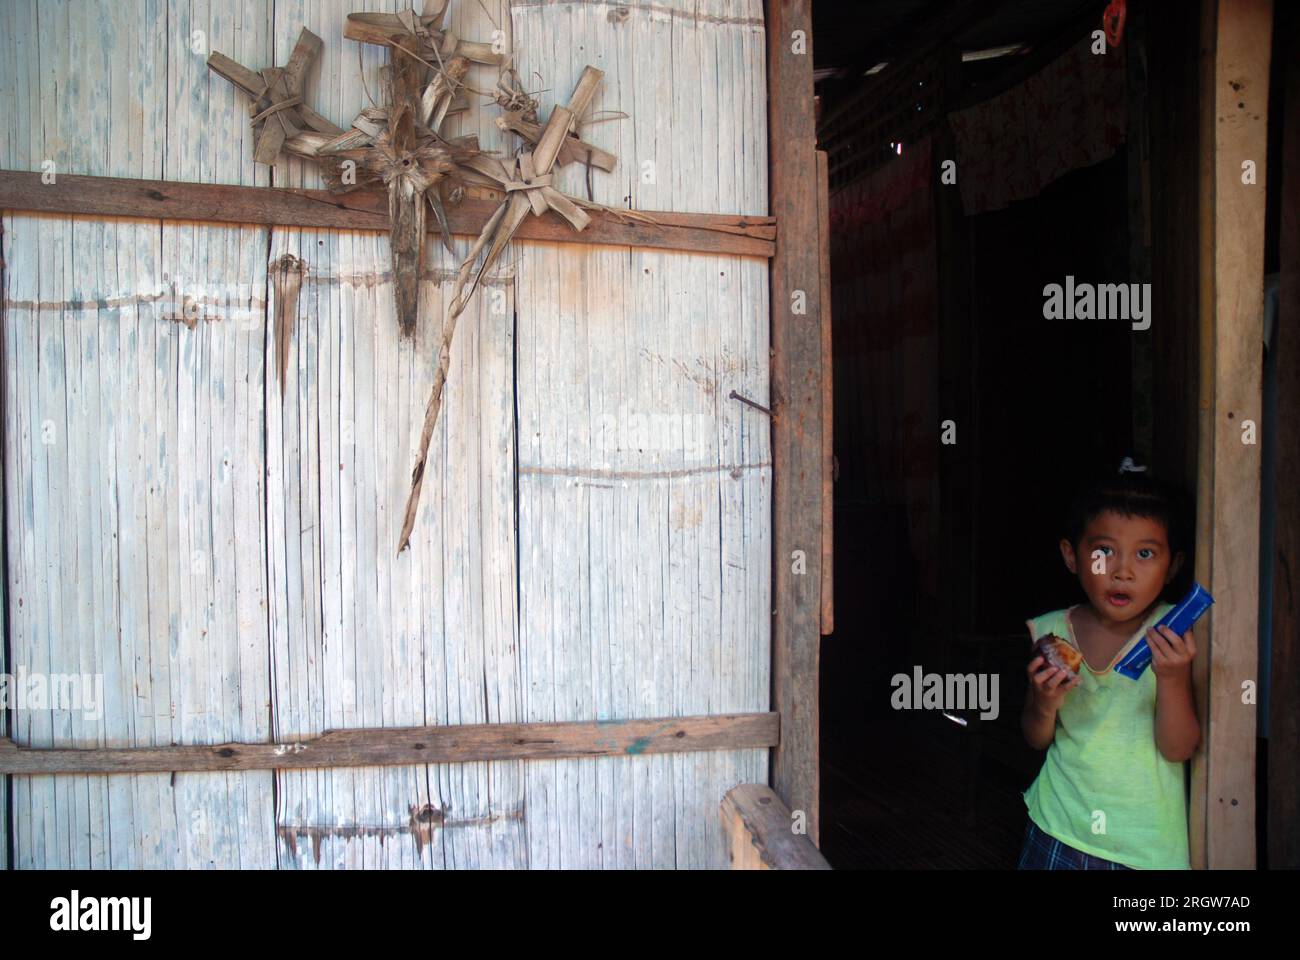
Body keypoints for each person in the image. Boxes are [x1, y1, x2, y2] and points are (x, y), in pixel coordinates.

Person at [1017, 459, 1199, 869]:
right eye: (1103, 552)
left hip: (1142, 847)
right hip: (1057, 827)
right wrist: (1045, 704)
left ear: (1172, 566)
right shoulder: (1051, 633)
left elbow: (1178, 749)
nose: (1122, 571)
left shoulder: (1174, 635)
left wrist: (1172, 678)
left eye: (1146, 554)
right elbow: (1035, 737)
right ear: (1071, 555)